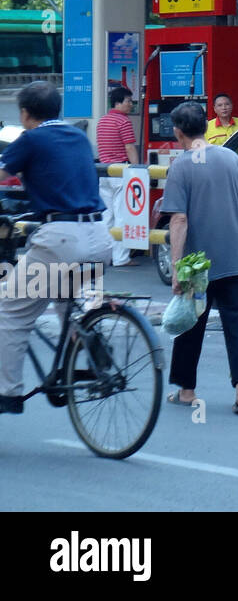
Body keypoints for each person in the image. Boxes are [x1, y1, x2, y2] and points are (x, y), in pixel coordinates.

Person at [0, 81, 113, 414]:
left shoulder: (30, 139)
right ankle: (93, 349)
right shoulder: (78, 136)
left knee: (10, 310)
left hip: (62, 240)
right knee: (67, 302)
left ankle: (7, 392)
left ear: (24, 113)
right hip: (100, 236)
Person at [160, 102, 238, 415]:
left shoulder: (180, 167)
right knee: (237, 325)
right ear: (205, 126)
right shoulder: (231, 158)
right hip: (236, 259)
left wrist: (177, 270)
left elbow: (178, 221)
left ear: (178, 132)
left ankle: (187, 391)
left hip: (199, 266)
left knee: (191, 326)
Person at [95, 86, 139, 267]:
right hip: (121, 172)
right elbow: (129, 147)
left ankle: (103, 256)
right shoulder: (123, 121)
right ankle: (121, 258)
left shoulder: (102, 121)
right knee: (122, 216)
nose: (130, 105)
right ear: (118, 103)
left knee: (107, 216)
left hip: (104, 172)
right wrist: (138, 169)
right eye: (128, 101)